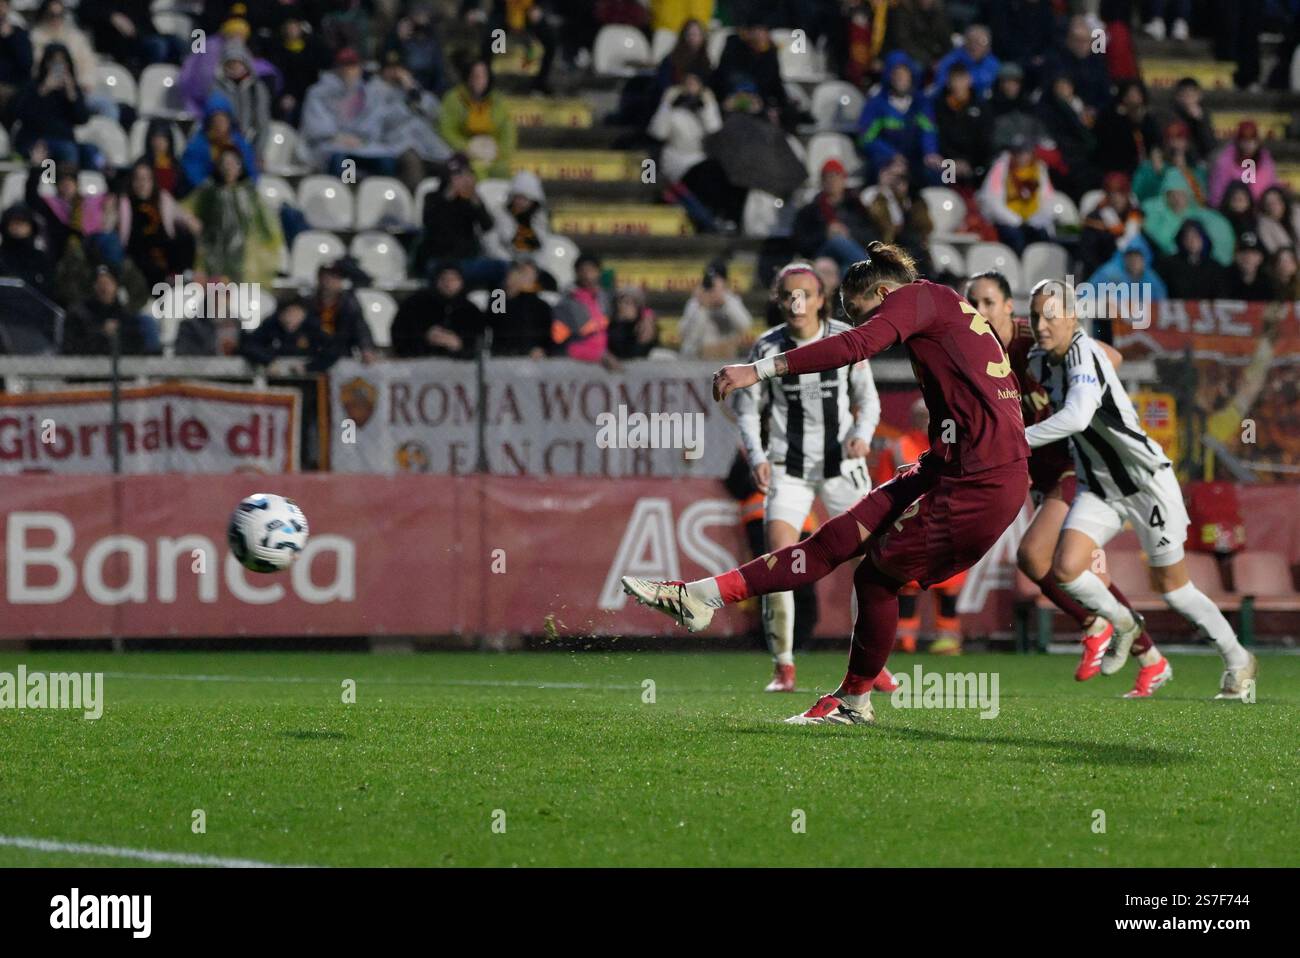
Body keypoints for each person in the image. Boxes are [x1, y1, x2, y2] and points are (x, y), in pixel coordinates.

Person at [622, 242, 1031, 726]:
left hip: (981, 479)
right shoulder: (941, 305)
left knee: (877, 577)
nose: (870, 327)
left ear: (883, 292)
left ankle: (854, 701)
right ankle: (700, 597)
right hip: (950, 465)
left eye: (865, 315)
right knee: (830, 541)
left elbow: (856, 346)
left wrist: (757, 369)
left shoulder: (916, 299)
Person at [1023, 279, 1258, 700]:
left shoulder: (1082, 352)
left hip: (1146, 482)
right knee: (1066, 569)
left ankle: (1238, 658)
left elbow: (1077, 417)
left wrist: (1015, 440)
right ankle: (1125, 623)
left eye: (1051, 315)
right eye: (1036, 315)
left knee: (1174, 590)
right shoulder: (1040, 361)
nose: (1041, 324)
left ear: (1073, 317)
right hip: (1100, 486)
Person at [970, 270, 1169, 693]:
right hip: (1038, 471)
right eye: (973, 303)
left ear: (1009, 307)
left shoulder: (1034, 341)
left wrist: (1078, 403)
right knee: (1075, 569)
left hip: (1073, 465)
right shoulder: (975, 355)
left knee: (1035, 556)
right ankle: (1151, 657)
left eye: (989, 302)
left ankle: (1094, 624)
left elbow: (1109, 358)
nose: (980, 311)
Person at [731, 262, 882, 692]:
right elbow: (747, 409)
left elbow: (868, 401)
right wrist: (757, 455)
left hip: (841, 466)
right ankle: (783, 664)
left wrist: (861, 434)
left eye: (805, 295)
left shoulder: (846, 340)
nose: (797, 303)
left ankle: (872, 662)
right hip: (788, 468)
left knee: (870, 561)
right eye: (788, 295)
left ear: (820, 300)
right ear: (779, 301)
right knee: (778, 559)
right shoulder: (766, 347)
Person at [184, 146, 283, 288]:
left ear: (240, 166)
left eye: (233, 163)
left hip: (244, 256)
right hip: (214, 254)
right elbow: (189, 209)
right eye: (225, 163)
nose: (228, 167)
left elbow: (265, 223)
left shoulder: (250, 192)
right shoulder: (210, 191)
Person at [413, 153, 503, 288]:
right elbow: (430, 224)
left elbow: (487, 226)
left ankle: (498, 308)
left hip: (467, 262)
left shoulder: (471, 200)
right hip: (439, 261)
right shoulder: (432, 197)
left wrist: (475, 201)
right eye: (457, 174)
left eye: (466, 174)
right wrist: (449, 195)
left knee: (501, 270)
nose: (462, 179)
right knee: (444, 277)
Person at [855, 50, 941, 182]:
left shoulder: (921, 102)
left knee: (946, 171)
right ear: (888, 77)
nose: (900, 78)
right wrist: (891, 155)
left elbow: (929, 130)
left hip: (916, 160)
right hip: (885, 161)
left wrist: (930, 152)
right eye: (895, 74)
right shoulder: (876, 104)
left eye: (904, 73)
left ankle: (951, 198)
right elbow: (866, 138)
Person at [11, 43, 94, 170]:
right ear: (46, 63)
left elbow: (82, 119)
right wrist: (44, 90)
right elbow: (20, 114)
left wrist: (72, 95)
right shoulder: (33, 87)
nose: (58, 68)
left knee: (83, 151)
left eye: (62, 63)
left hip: (63, 139)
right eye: (54, 63)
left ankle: (68, 186)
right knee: (57, 152)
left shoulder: (71, 90)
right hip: (35, 138)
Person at [117, 160, 199, 287]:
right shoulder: (125, 202)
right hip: (140, 248)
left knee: (185, 238)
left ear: (152, 181)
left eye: (146, 179)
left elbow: (180, 213)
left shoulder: (162, 197)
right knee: (147, 263)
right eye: (138, 179)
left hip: (164, 243)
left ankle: (183, 276)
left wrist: (191, 221)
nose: (142, 183)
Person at [437, 58, 516, 179]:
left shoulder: (498, 101)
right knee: (473, 172)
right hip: (464, 154)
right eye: (475, 76)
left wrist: (499, 151)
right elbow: (446, 129)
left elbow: (508, 132)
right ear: (468, 77)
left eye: (483, 76)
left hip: (493, 153)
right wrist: (466, 148)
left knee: (502, 171)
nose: (479, 80)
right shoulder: (453, 99)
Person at [791, 159, 877, 270]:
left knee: (846, 268)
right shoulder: (810, 210)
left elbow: (872, 236)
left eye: (836, 176)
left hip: (850, 255)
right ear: (822, 181)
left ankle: (864, 272)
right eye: (827, 177)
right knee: (837, 240)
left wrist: (849, 232)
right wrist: (825, 234)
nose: (832, 181)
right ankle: (870, 270)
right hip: (822, 253)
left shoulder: (856, 206)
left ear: (843, 179)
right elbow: (800, 242)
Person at [1141, 167, 1235, 266]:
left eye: (1181, 194)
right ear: (1165, 196)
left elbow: (1221, 238)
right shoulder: (1154, 212)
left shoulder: (1204, 216)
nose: (1177, 199)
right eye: (1172, 194)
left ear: (1188, 194)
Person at [978, 137, 1056, 255]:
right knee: (1016, 238)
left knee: (1043, 238)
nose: (1022, 156)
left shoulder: (1039, 169)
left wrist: (1037, 219)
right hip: (1007, 221)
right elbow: (993, 202)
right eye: (1018, 153)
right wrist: (1015, 220)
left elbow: (1047, 199)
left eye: (1025, 152)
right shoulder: (1001, 168)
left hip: (1033, 220)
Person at [390, 262, 484, 359]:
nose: (448, 284)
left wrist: (459, 344)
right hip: (418, 363)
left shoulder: (471, 311)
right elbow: (399, 335)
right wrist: (425, 337)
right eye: (444, 279)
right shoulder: (415, 304)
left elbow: (478, 344)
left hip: (460, 367)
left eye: (454, 279)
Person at [61, 264, 150, 356]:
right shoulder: (79, 314)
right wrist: (101, 333)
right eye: (100, 284)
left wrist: (117, 333)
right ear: (93, 286)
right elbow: (70, 347)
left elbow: (137, 346)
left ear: (116, 286)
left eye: (108, 283)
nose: (104, 289)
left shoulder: (126, 316)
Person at [180, 95, 260, 190]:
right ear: (209, 122)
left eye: (223, 119)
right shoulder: (198, 145)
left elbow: (251, 169)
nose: (220, 124)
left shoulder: (239, 143)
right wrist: (210, 189)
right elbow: (192, 171)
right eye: (216, 120)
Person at [676, 264, 753, 360]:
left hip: (724, 360)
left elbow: (745, 325)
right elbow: (683, 334)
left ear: (724, 282)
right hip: (696, 359)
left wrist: (723, 303)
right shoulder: (696, 302)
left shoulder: (731, 301)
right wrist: (702, 307)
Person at [239, 296, 335, 372]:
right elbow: (249, 345)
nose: (292, 318)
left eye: (296, 314)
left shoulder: (312, 327)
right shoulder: (271, 325)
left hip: (305, 372)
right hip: (275, 370)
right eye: (288, 313)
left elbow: (332, 349)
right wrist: (268, 361)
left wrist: (309, 367)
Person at [211, 40, 272, 155]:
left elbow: (262, 123)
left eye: (238, 63)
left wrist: (257, 152)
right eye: (230, 63)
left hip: (249, 144)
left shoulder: (256, 88)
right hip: (222, 145)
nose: (234, 67)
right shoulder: (216, 87)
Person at [551, 253, 612, 365]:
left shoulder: (607, 298)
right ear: (576, 273)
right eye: (583, 271)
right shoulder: (566, 302)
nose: (587, 275)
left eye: (591, 270)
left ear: (598, 272)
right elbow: (561, 339)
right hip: (578, 361)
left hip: (606, 358)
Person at [311, 260, 376, 364]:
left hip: (340, 356)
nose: (329, 280)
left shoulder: (348, 304)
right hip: (313, 355)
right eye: (325, 276)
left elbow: (360, 328)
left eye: (334, 277)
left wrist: (366, 349)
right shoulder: (308, 302)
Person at [485, 259, 552, 358]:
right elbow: (496, 322)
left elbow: (548, 333)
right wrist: (509, 292)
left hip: (532, 357)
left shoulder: (541, 305)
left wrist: (542, 349)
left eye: (529, 274)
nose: (525, 278)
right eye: (522, 272)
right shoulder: (499, 297)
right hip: (503, 355)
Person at [1207, 120, 1279, 207]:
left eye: (1252, 140)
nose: (1248, 144)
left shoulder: (1266, 162)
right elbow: (1217, 194)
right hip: (1232, 210)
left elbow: (1272, 187)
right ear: (1238, 141)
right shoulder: (1224, 162)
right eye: (1244, 140)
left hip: (1261, 210)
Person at [1155, 219, 1227, 300]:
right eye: (1187, 237)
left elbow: (1221, 298)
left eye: (1196, 236)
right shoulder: (1168, 265)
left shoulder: (1215, 268)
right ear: (1181, 240)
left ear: (1204, 239)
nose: (1192, 240)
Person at [932, 24, 1001, 98]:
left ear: (988, 45)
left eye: (981, 42)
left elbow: (987, 79)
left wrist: (962, 81)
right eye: (971, 41)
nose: (974, 46)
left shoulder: (992, 62)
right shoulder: (954, 57)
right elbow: (941, 77)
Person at [607, 286, 659, 361]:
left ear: (637, 306)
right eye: (619, 302)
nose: (622, 306)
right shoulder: (612, 323)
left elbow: (639, 351)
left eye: (628, 303)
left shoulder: (645, 323)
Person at [1256, 186, 1300, 255]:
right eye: (1269, 203)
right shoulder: (1264, 226)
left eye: (1277, 200)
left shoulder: (1297, 212)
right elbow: (1275, 252)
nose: (1273, 205)